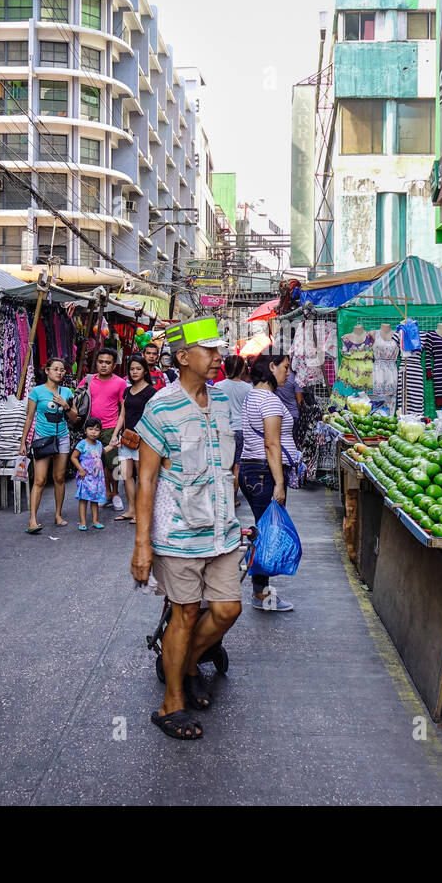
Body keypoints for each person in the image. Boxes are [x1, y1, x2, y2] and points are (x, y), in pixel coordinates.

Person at [132, 316, 241, 741]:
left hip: (222, 531)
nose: (218, 358)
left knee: (228, 609)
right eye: (210, 351)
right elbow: (146, 480)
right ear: (183, 357)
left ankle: (186, 663)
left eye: (218, 350)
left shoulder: (224, 403)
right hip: (179, 534)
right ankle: (171, 702)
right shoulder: (160, 407)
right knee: (187, 612)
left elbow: (225, 465)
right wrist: (142, 546)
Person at [240, 352, 299, 612]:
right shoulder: (270, 401)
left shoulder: (253, 396)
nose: (289, 373)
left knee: (263, 532)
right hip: (265, 473)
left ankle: (259, 590)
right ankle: (261, 595)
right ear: (271, 367)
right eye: (286, 368)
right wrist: (279, 483)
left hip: (250, 471)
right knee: (267, 535)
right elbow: (271, 444)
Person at [21, 357, 77, 532]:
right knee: (39, 479)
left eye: (62, 370)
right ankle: (32, 520)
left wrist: (65, 405)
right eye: (55, 369)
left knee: (59, 478)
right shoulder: (36, 392)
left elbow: (75, 418)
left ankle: (58, 515)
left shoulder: (67, 392)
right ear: (47, 371)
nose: (59, 372)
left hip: (62, 437)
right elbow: (29, 418)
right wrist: (23, 442)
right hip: (42, 438)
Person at [79, 349, 128, 512]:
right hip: (91, 430)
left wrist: (118, 432)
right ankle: (105, 493)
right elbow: (77, 399)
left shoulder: (120, 383)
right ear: (96, 362)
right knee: (97, 464)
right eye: (101, 362)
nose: (104, 365)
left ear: (114, 365)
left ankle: (115, 494)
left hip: (111, 428)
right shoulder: (88, 380)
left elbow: (123, 408)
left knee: (113, 465)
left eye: (108, 362)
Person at [108, 354, 155, 524]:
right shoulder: (127, 391)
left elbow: (153, 417)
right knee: (126, 476)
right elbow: (122, 414)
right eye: (132, 369)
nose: (134, 372)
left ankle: (142, 512)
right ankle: (130, 510)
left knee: (142, 478)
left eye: (138, 369)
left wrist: (145, 436)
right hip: (125, 439)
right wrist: (115, 434)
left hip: (142, 441)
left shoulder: (151, 391)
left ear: (144, 371)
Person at [217, 355, 252, 504]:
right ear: (242, 369)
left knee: (225, 465)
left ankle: (223, 497)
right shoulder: (248, 388)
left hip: (223, 429)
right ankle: (233, 498)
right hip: (241, 429)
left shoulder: (218, 386)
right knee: (237, 466)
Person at [72, 417, 107, 530]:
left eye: (96, 430)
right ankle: (82, 522)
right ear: (86, 430)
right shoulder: (82, 444)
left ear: (100, 432)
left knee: (94, 499)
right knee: (83, 499)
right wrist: (80, 469)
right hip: (85, 476)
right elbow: (73, 457)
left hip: (96, 477)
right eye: (91, 429)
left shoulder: (99, 444)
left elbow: (105, 451)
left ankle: (95, 521)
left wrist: (114, 445)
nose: (93, 432)